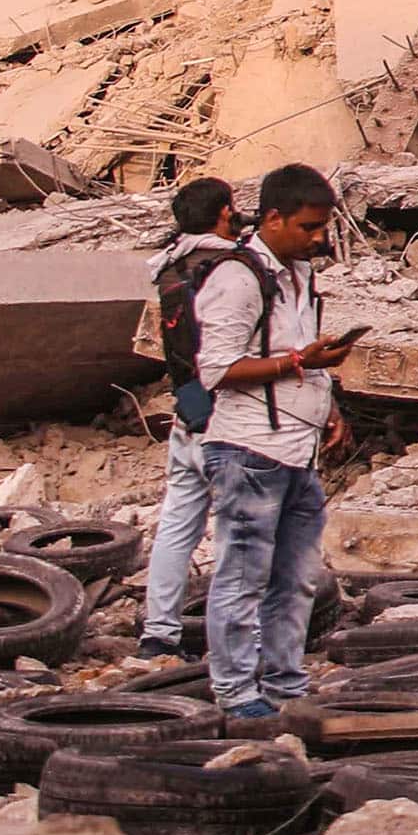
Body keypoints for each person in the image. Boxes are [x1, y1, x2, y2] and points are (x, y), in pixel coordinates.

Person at [190, 164, 357, 725]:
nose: (318, 237)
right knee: (242, 576)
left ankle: (285, 682)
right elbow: (216, 369)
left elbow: (297, 348)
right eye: (309, 227)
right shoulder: (237, 279)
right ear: (273, 218)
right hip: (249, 449)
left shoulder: (299, 275)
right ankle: (236, 692)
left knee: (296, 577)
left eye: (322, 227)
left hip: (296, 449)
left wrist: (326, 401)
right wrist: (298, 364)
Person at [130, 178, 246, 664]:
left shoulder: (170, 267)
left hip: (187, 414)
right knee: (241, 529)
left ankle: (158, 634)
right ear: (223, 213)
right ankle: (240, 639)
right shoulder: (230, 268)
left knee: (177, 527)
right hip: (230, 418)